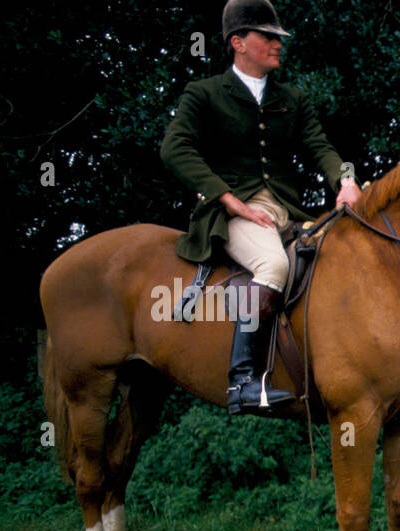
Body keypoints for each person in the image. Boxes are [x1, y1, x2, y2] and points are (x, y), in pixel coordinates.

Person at [160, 0, 361, 414]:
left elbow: (320, 146)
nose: (277, 44)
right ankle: (243, 383)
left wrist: (345, 180)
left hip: (286, 210)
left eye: (278, 37)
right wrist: (229, 200)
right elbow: (174, 149)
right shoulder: (205, 94)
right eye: (268, 37)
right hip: (230, 213)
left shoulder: (293, 98)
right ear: (238, 42)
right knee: (274, 266)